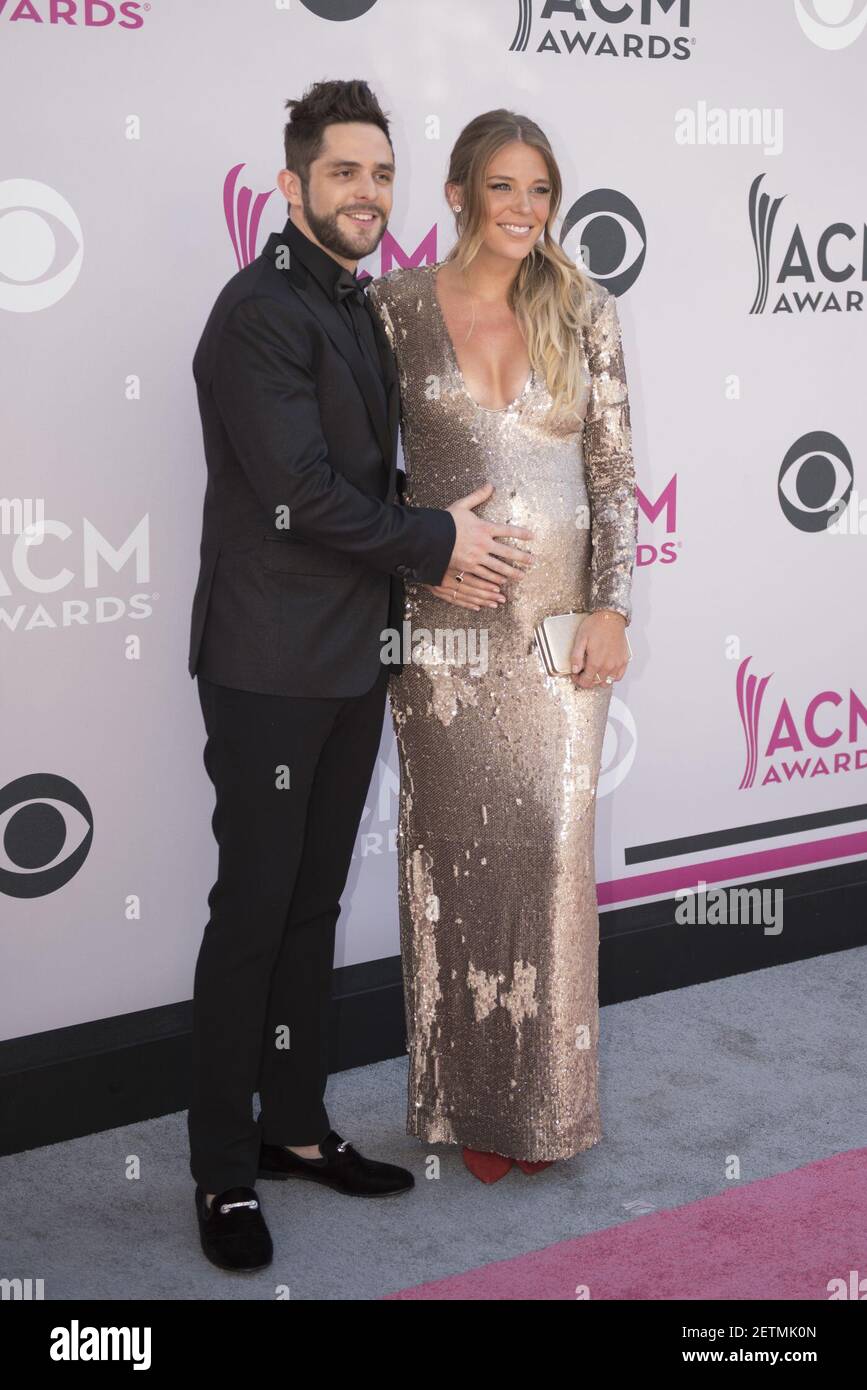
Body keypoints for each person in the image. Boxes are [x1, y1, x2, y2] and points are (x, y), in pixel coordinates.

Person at [186, 80, 533, 1269]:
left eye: (381, 173)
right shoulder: (258, 313)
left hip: (349, 657)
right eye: (343, 172)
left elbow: (346, 478)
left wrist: (438, 525)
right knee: (254, 913)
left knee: (311, 908)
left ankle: (293, 1128)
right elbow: (297, 493)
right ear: (292, 185)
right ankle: (222, 1173)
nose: (367, 192)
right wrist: (436, 540)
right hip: (268, 664)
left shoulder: (352, 304)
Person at [367, 108, 637, 1185]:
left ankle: (546, 1107)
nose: (523, 209)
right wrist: (421, 549)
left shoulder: (584, 307)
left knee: (552, 860)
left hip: (557, 634)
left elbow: (611, 472)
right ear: (458, 194)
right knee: (450, 861)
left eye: (539, 190)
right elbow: (354, 472)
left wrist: (613, 608)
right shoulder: (392, 308)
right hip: (442, 632)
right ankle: (464, 1101)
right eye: (502, 187)